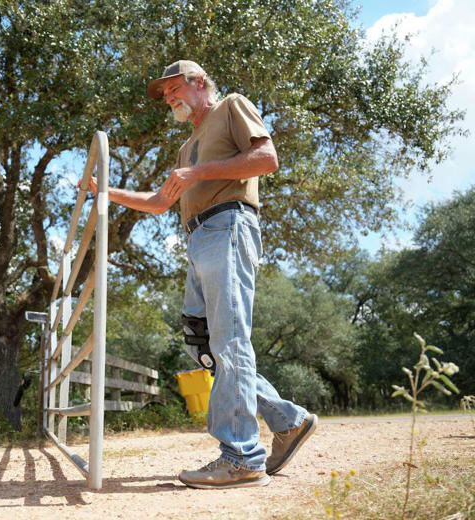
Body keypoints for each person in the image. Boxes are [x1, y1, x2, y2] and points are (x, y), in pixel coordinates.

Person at [83, 60, 317, 489]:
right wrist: (106, 194)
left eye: (174, 89)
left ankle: (242, 457)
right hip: (198, 238)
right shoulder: (185, 147)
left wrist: (201, 172)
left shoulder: (231, 107)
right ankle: (288, 420)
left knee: (229, 341)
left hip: (229, 225)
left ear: (199, 82)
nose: (169, 98)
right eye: (166, 94)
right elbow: (159, 202)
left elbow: (267, 158)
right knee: (203, 345)